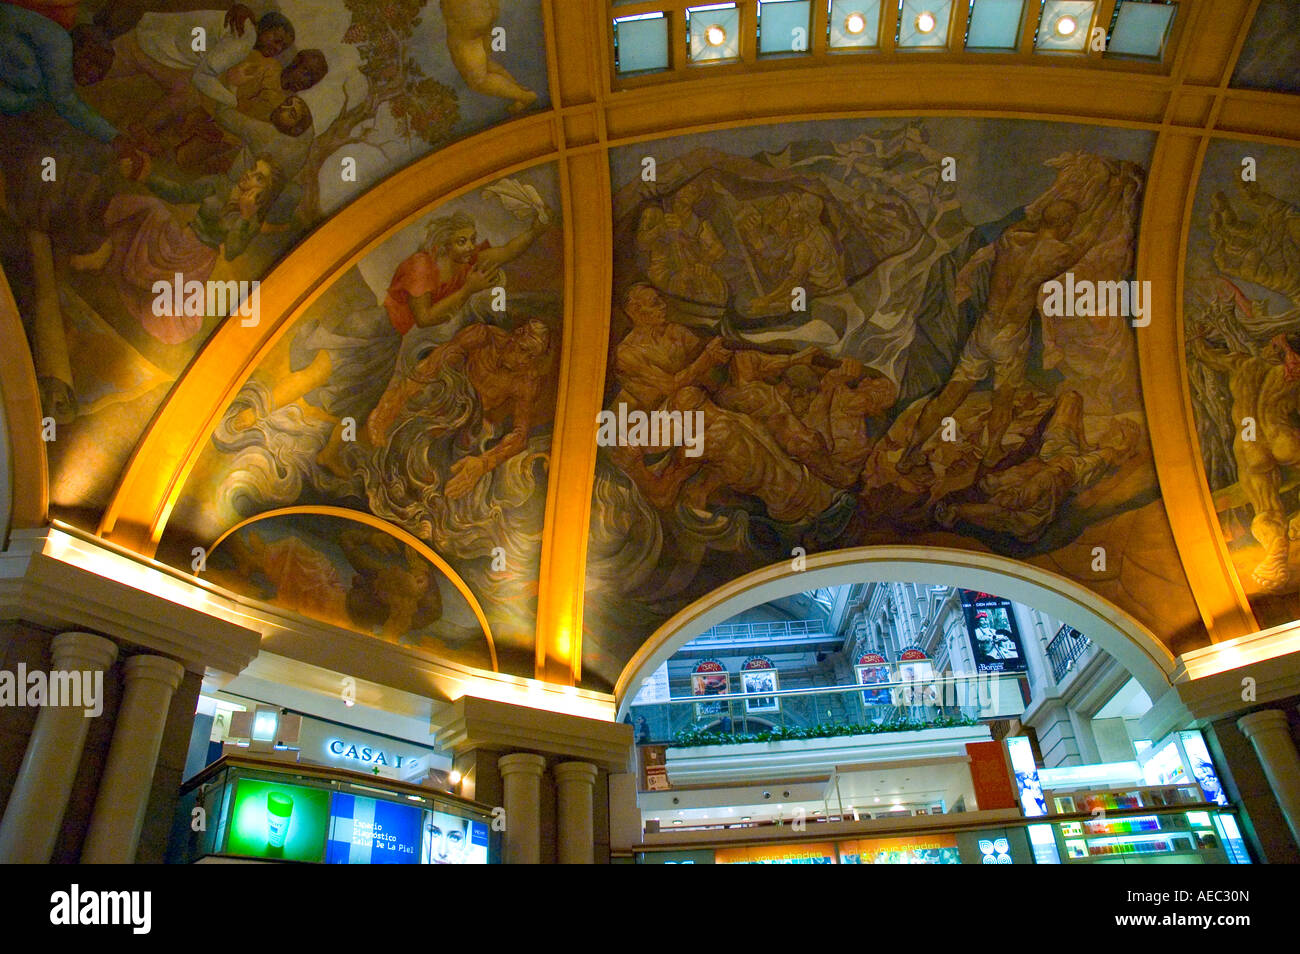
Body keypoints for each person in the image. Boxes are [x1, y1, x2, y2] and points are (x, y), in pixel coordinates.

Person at [366, 319, 554, 500]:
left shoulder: (526, 380)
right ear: (516, 335)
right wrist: (390, 406)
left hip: (470, 429)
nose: (523, 360)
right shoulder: (482, 336)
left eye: (531, 357)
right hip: (443, 401)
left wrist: (483, 464)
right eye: (523, 349)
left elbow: (520, 436)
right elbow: (431, 366)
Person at [0, 5, 143, 164]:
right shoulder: (60, 46)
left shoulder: (49, 74)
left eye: (101, 70)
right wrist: (114, 138)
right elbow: (66, 102)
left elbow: (18, 101)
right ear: (78, 48)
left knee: (25, 99)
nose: (93, 74)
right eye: (89, 62)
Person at [440, 0, 537, 113]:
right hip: (483, 9)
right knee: (485, 63)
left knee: (478, 80)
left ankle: (525, 96)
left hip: (466, 18)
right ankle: (516, 87)